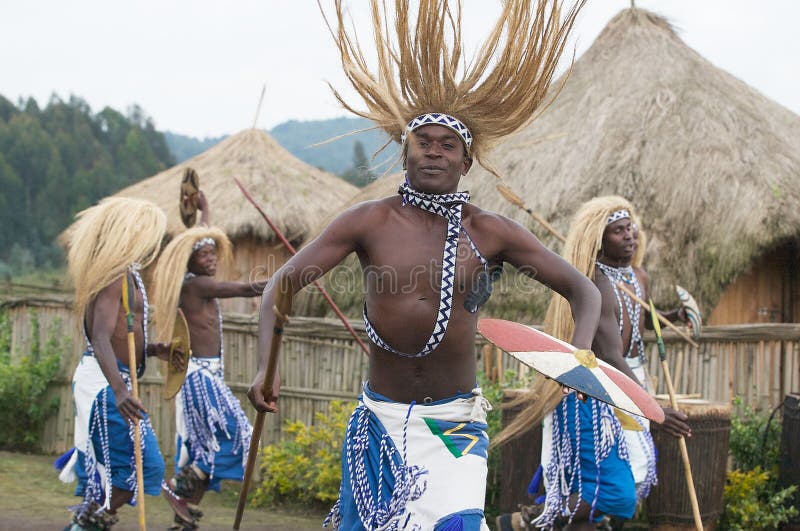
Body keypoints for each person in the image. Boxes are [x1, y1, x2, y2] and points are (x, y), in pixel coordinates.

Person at [248, 1, 597, 529]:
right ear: (404, 152)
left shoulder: (489, 231)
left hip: (454, 422)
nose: (434, 152)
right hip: (379, 417)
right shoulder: (367, 221)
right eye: (423, 143)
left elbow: (582, 290)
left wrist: (579, 357)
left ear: (466, 159)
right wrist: (261, 367)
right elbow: (283, 283)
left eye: (447, 145)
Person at [494, 196, 693, 531]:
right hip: (594, 395)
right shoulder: (597, 285)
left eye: (631, 228)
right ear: (599, 241)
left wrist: (673, 316)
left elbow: (638, 320)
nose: (630, 236)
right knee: (614, 493)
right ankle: (524, 523)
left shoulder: (638, 277)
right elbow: (612, 355)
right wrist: (653, 409)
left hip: (623, 391)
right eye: (618, 231)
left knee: (605, 493)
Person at [55, 197, 181, 530]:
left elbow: (119, 337)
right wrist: (120, 390)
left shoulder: (129, 275)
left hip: (115, 382)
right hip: (105, 385)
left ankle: (89, 522)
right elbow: (99, 336)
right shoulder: (113, 275)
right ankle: (85, 524)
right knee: (137, 469)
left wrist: (153, 349)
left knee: (141, 468)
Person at [151, 198, 268, 530]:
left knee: (201, 447)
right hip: (199, 375)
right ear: (191, 261)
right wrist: (280, 281)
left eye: (214, 253)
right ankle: (180, 486)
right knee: (239, 434)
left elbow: (203, 238)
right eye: (204, 255)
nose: (212, 259)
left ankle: (183, 508)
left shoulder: (195, 282)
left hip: (206, 373)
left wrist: (205, 214)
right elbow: (242, 288)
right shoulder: (195, 285)